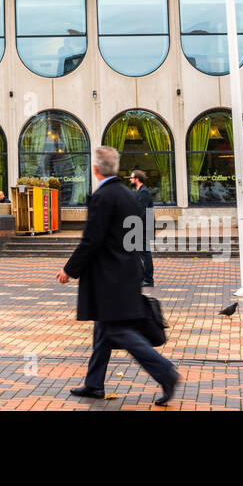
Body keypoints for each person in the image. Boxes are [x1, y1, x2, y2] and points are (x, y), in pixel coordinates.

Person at [56, 145, 179, 405]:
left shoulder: (103, 197)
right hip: (127, 272)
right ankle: (94, 384)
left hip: (108, 277)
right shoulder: (127, 194)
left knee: (118, 331)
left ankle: (165, 372)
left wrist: (69, 269)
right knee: (103, 330)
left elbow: (91, 240)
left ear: (96, 169)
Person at [130, 169, 155, 287]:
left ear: (137, 179)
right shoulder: (140, 191)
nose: (130, 179)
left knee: (145, 252)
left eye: (131, 178)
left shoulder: (143, 192)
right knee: (139, 252)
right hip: (142, 226)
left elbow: (142, 212)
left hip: (144, 227)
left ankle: (148, 279)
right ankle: (142, 277)